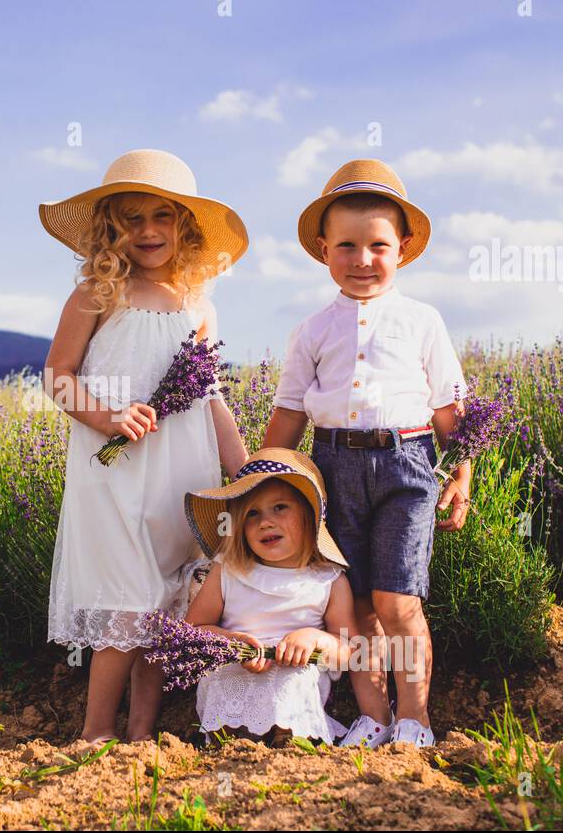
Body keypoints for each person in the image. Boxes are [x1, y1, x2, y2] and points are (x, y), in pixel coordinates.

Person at [42, 148, 250, 744]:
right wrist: (106, 418)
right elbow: (57, 375)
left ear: (183, 225)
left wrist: (247, 473)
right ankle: (92, 733)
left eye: (162, 216)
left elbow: (210, 397)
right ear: (112, 227)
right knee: (127, 603)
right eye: (133, 218)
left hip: (179, 471)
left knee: (162, 609)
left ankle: (140, 737)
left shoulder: (198, 307)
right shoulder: (96, 293)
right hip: (112, 470)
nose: (149, 230)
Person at [263, 159, 472, 748]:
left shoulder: (423, 322)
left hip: (406, 466)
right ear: (324, 250)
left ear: (402, 249)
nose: (361, 259)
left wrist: (462, 476)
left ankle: (416, 719)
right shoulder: (311, 330)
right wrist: (255, 481)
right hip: (331, 469)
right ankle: (373, 717)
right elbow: (291, 412)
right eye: (347, 246)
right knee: (351, 605)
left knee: (397, 598)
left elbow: (452, 412)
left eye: (377, 245)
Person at [182, 449, 353, 746]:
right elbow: (192, 631)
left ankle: (286, 738)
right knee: (222, 677)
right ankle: (226, 738)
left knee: (293, 680)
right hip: (238, 663)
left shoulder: (328, 579)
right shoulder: (229, 571)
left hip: (292, 671)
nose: (265, 522)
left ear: (309, 516)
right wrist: (230, 642)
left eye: (280, 508)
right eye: (252, 514)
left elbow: (348, 648)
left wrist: (315, 638)